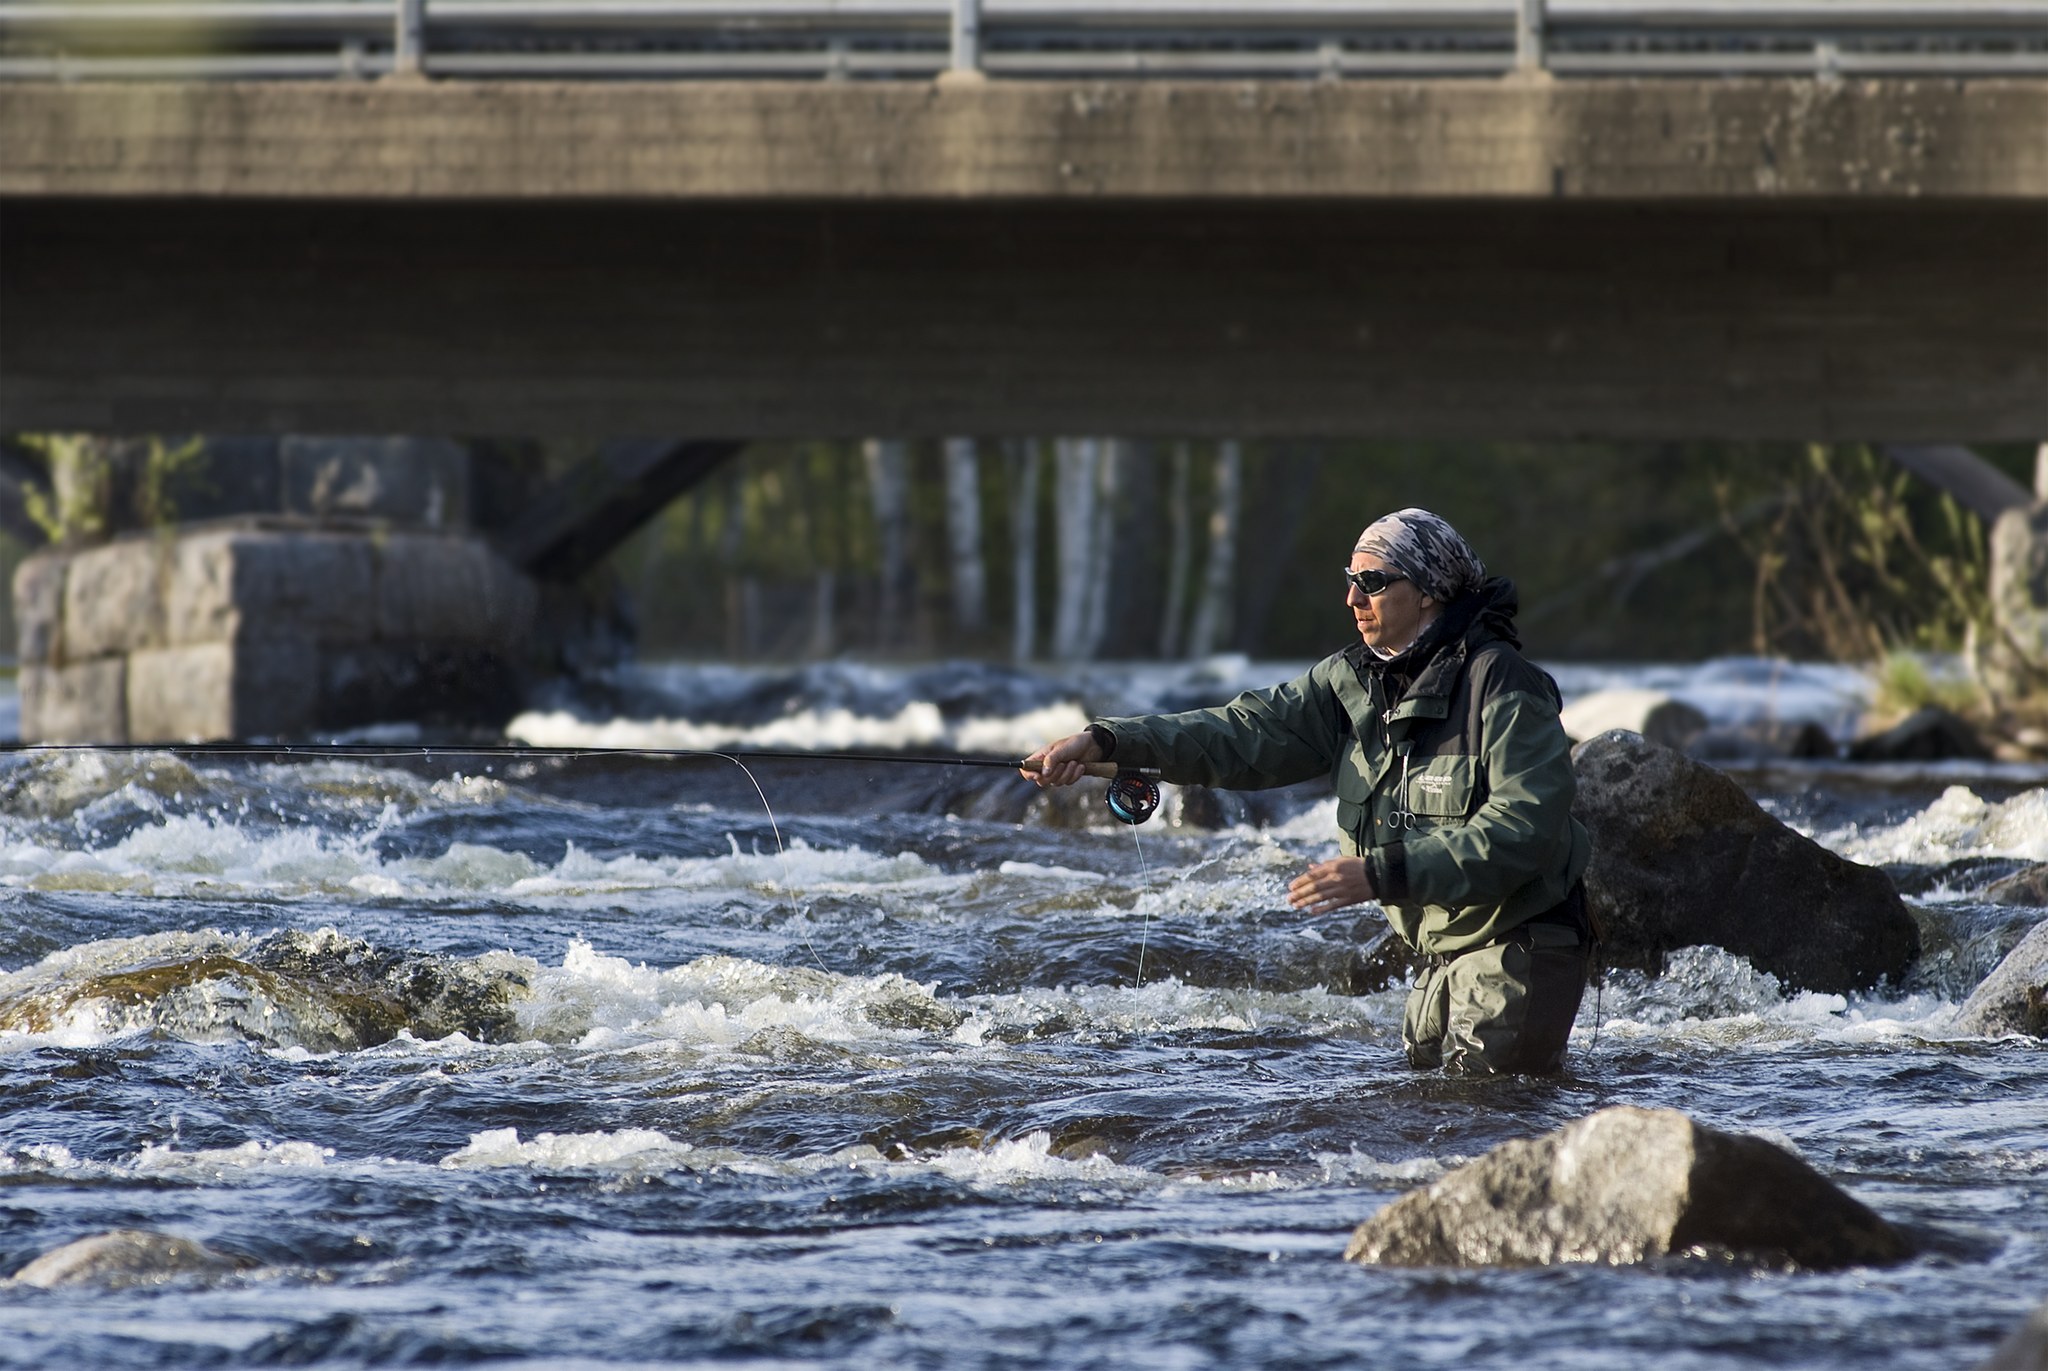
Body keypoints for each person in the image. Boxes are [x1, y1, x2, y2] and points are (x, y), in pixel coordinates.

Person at [1022, 508, 1593, 1075]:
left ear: (1427, 592)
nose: (1352, 600)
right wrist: (1108, 742)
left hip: (1516, 952)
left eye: (1371, 583)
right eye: (1350, 581)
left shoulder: (1502, 683)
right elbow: (1238, 734)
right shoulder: (1351, 683)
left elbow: (1524, 829)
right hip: (1438, 965)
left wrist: (1379, 875)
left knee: (1485, 1125)